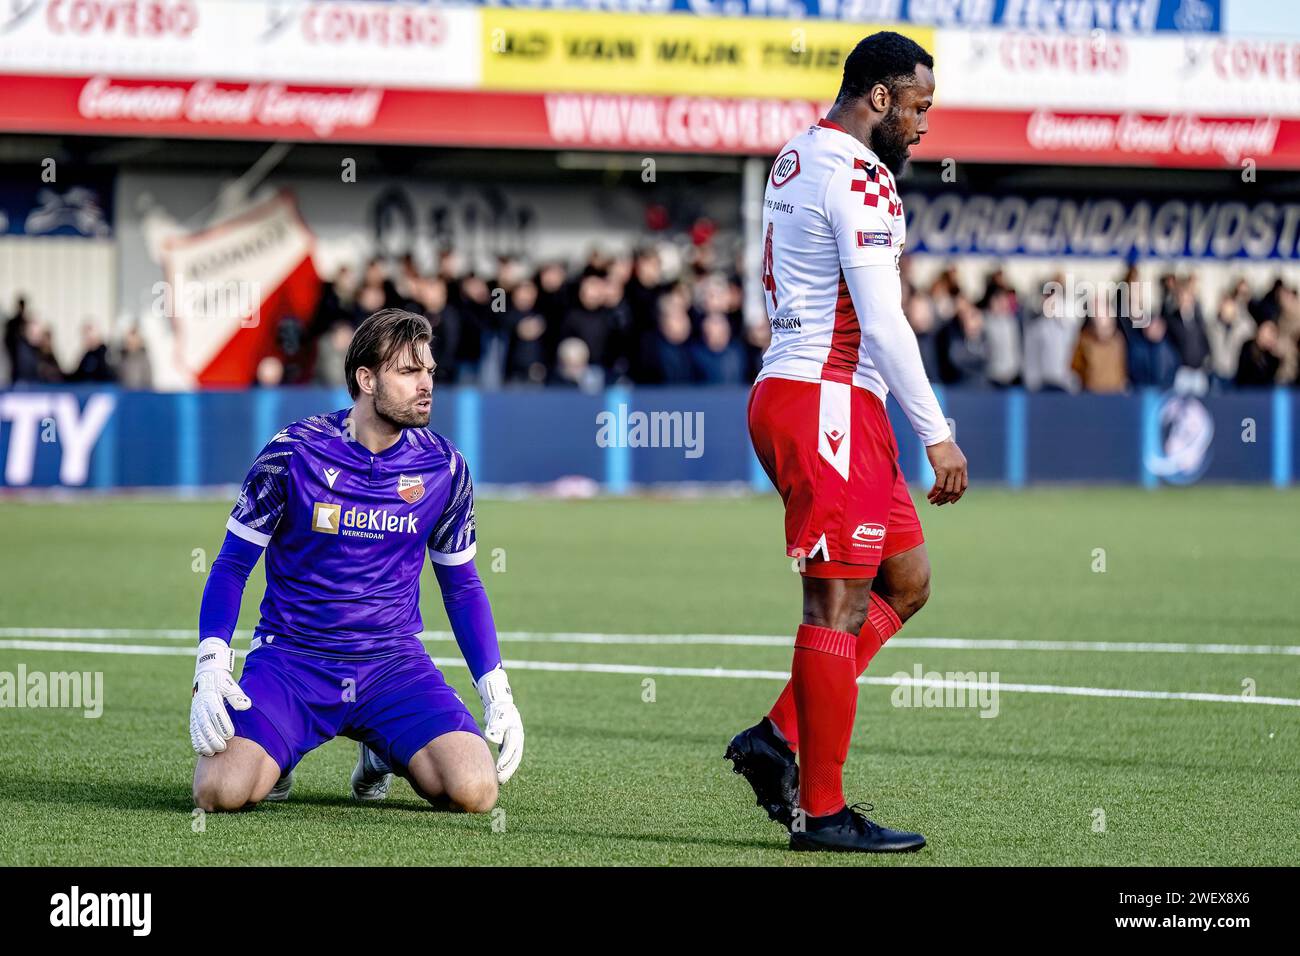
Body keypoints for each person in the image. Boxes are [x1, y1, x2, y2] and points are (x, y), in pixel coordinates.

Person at [729, 31, 967, 854]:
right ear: (879, 98)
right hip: (825, 399)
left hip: (815, 396)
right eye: (919, 107)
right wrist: (936, 434)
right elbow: (884, 319)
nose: (924, 126)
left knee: (906, 579)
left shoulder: (798, 152)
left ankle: (776, 736)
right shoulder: (861, 177)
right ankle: (820, 814)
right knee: (834, 603)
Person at [190, 309, 524, 813]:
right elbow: (233, 564)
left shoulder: (445, 466)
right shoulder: (293, 453)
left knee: (474, 790)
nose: (426, 384)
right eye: (409, 372)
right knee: (219, 792)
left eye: (429, 370)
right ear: (366, 379)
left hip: (392, 663)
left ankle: (380, 752)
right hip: (293, 660)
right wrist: (211, 660)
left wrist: (495, 686)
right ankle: (283, 753)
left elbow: (461, 586)